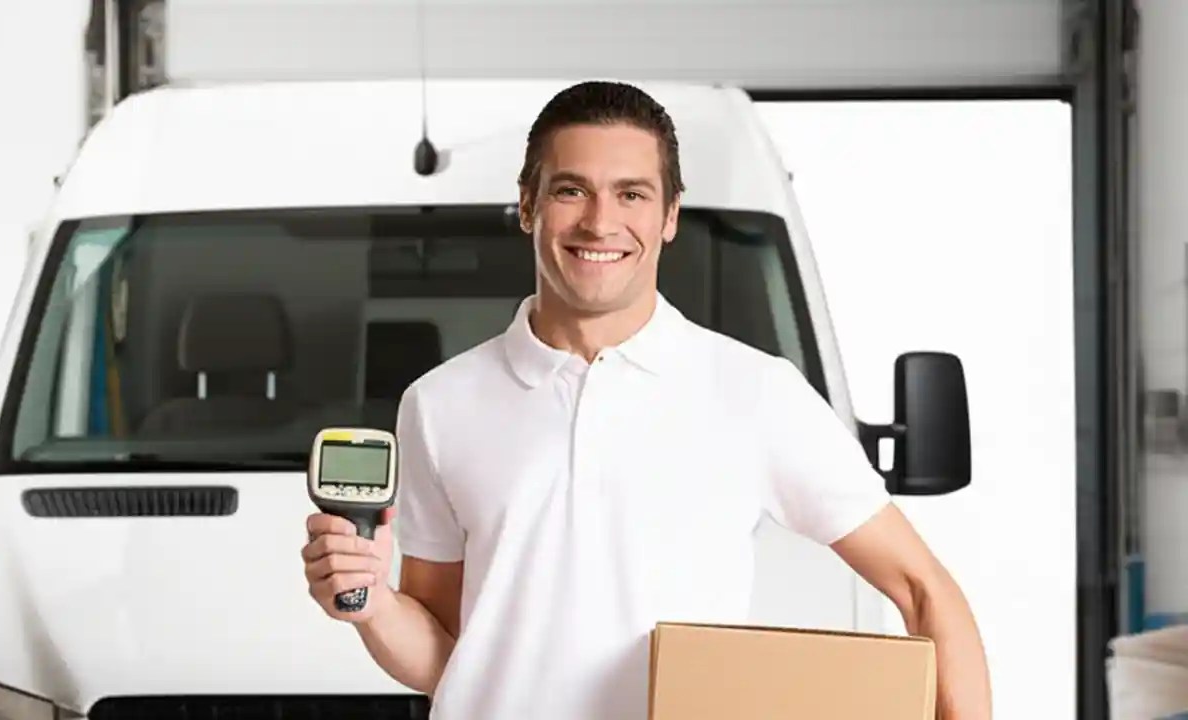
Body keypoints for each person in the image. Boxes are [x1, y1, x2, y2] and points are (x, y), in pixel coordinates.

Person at [302, 80, 992, 719]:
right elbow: (450, 657)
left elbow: (922, 589)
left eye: (631, 194)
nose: (601, 222)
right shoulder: (438, 403)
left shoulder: (754, 391)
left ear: (669, 215)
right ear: (528, 204)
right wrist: (372, 605)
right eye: (571, 190)